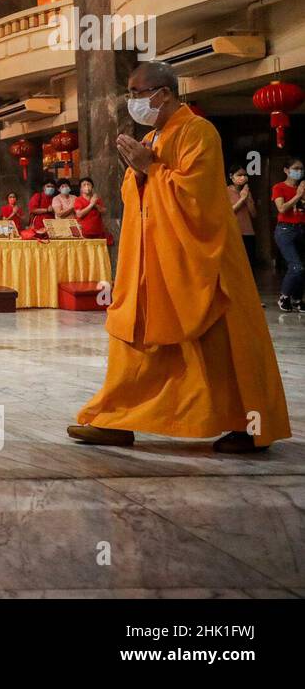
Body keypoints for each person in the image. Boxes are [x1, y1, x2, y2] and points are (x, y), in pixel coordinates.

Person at [70, 61, 291, 453]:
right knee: (137, 340)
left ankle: (247, 426)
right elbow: (134, 195)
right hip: (152, 261)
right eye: (130, 94)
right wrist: (140, 173)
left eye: (138, 93)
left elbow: (197, 197)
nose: (133, 102)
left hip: (200, 263)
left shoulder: (198, 132)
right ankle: (117, 419)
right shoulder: (154, 137)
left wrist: (149, 170)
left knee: (217, 345)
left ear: (165, 93)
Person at [271, 157, 305, 311]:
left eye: (301, 169)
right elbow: (282, 209)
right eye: (296, 168)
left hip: (301, 229)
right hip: (285, 230)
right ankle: (284, 297)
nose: (299, 171)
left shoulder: (303, 188)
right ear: (286, 170)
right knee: (296, 266)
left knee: (302, 267)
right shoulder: (279, 187)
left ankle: (297, 299)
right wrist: (297, 196)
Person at [227, 166, 256, 264]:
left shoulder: (247, 192)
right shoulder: (226, 191)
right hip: (234, 232)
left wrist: (247, 198)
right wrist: (242, 199)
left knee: (249, 262)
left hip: (248, 232)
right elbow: (228, 213)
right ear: (231, 176)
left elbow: (254, 214)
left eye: (245, 175)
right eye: (239, 175)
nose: (242, 177)